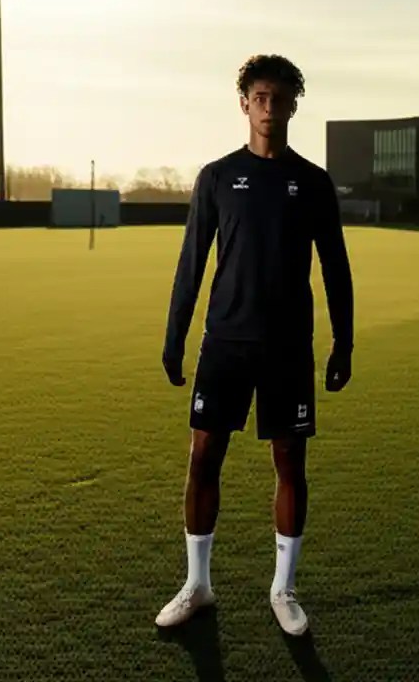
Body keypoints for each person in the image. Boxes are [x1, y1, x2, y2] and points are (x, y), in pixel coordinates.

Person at [155, 54, 354, 636]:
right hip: (226, 345)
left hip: (290, 346)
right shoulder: (216, 177)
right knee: (202, 458)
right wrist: (175, 338)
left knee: (290, 463)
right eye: (260, 96)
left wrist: (344, 342)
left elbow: (336, 267)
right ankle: (197, 585)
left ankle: (283, 589)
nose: (270, 107)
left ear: (295, 104)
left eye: (281, 97)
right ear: (244, 103)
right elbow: (191, 263)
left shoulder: (314, 183)